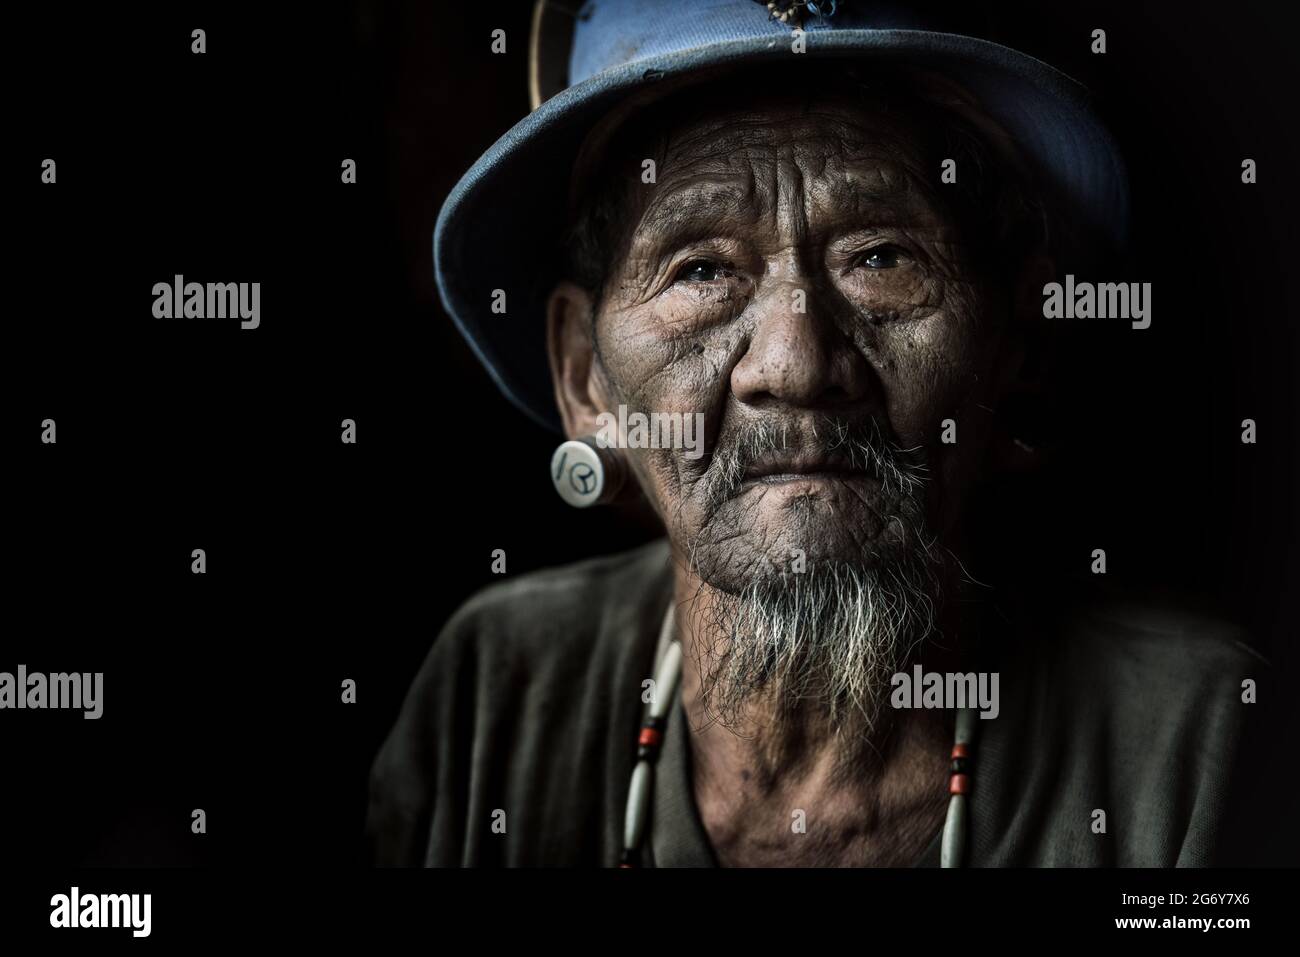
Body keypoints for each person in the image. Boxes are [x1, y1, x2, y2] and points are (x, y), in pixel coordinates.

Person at [368, 0, 1266, 867]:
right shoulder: (491, 692)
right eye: (702, 269)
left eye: (880, 257)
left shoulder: (1198, 744)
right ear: (583, 377)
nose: (795, 364)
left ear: (1018, 344)